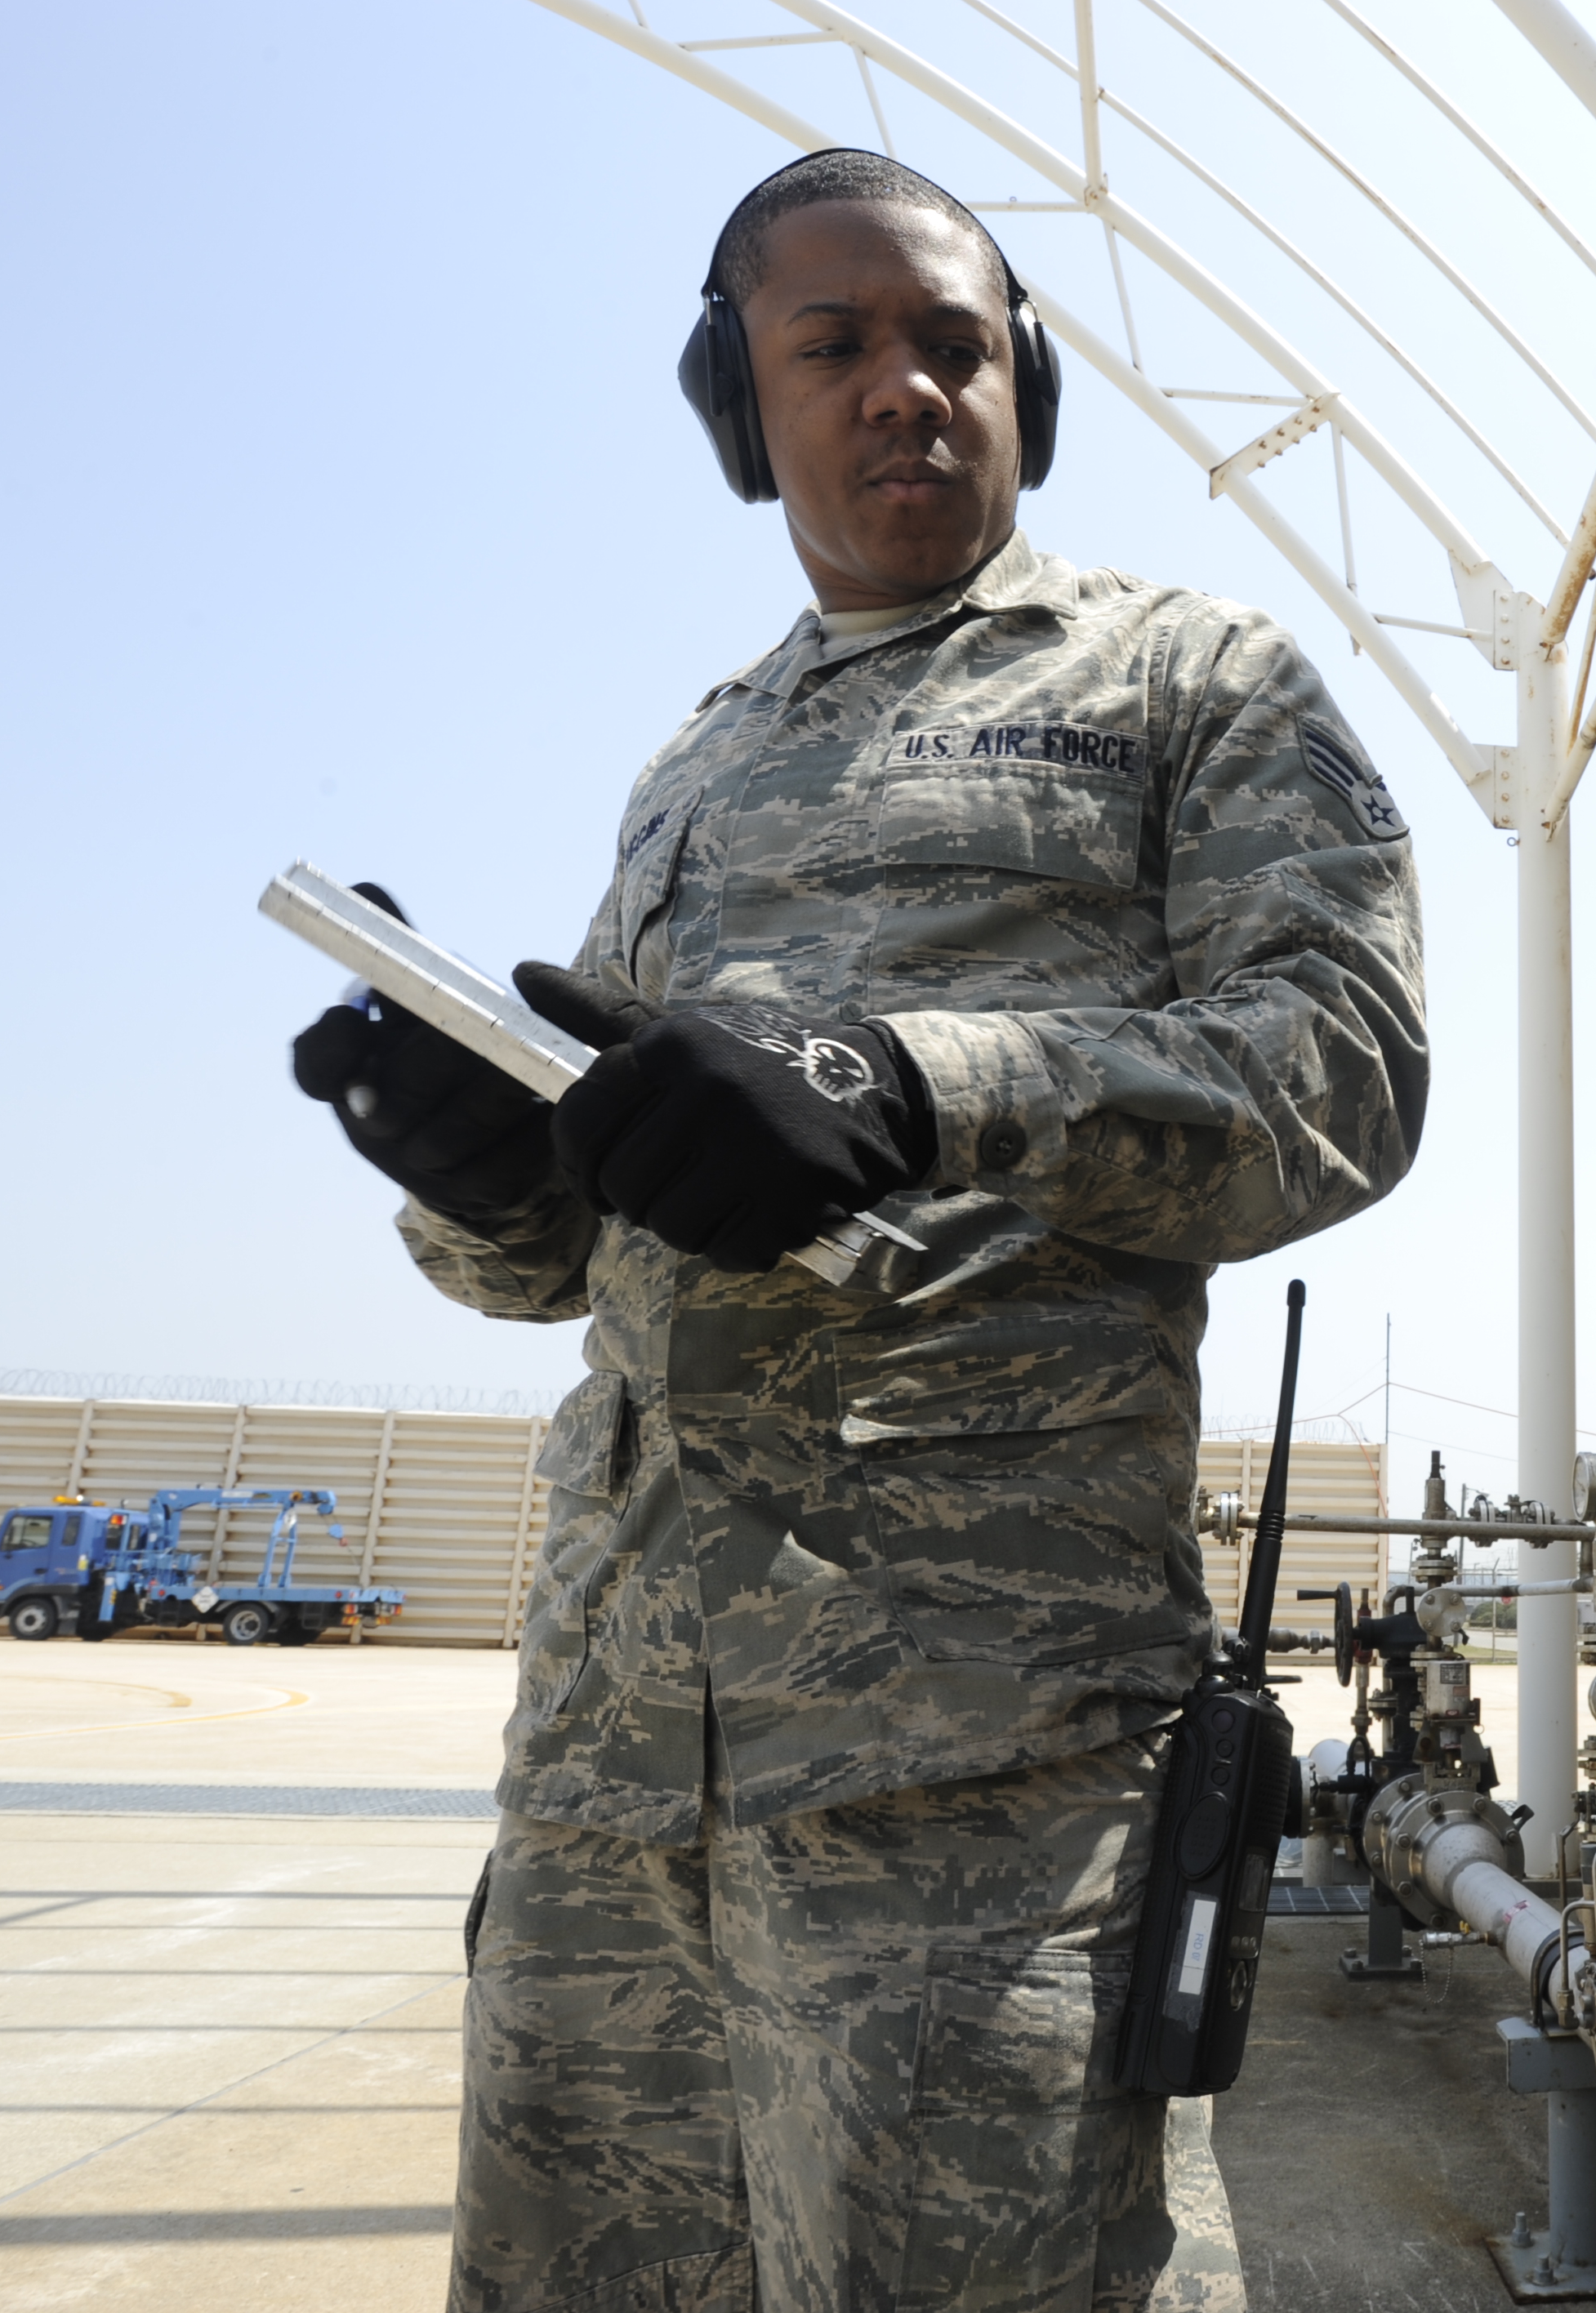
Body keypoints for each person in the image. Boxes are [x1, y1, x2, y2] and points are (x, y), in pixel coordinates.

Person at [288, 149, 1427, 2311]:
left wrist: (915, 1087)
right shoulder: (692, 767)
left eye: (955, 344)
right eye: (837, 347)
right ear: (742, 409)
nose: (907, 385)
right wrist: (477, 1176)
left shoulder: (1193, 682)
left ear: (1028, 391)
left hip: (976, 1764)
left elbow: (1343, 1072)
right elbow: (568, 1273)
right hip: (620, 1760)